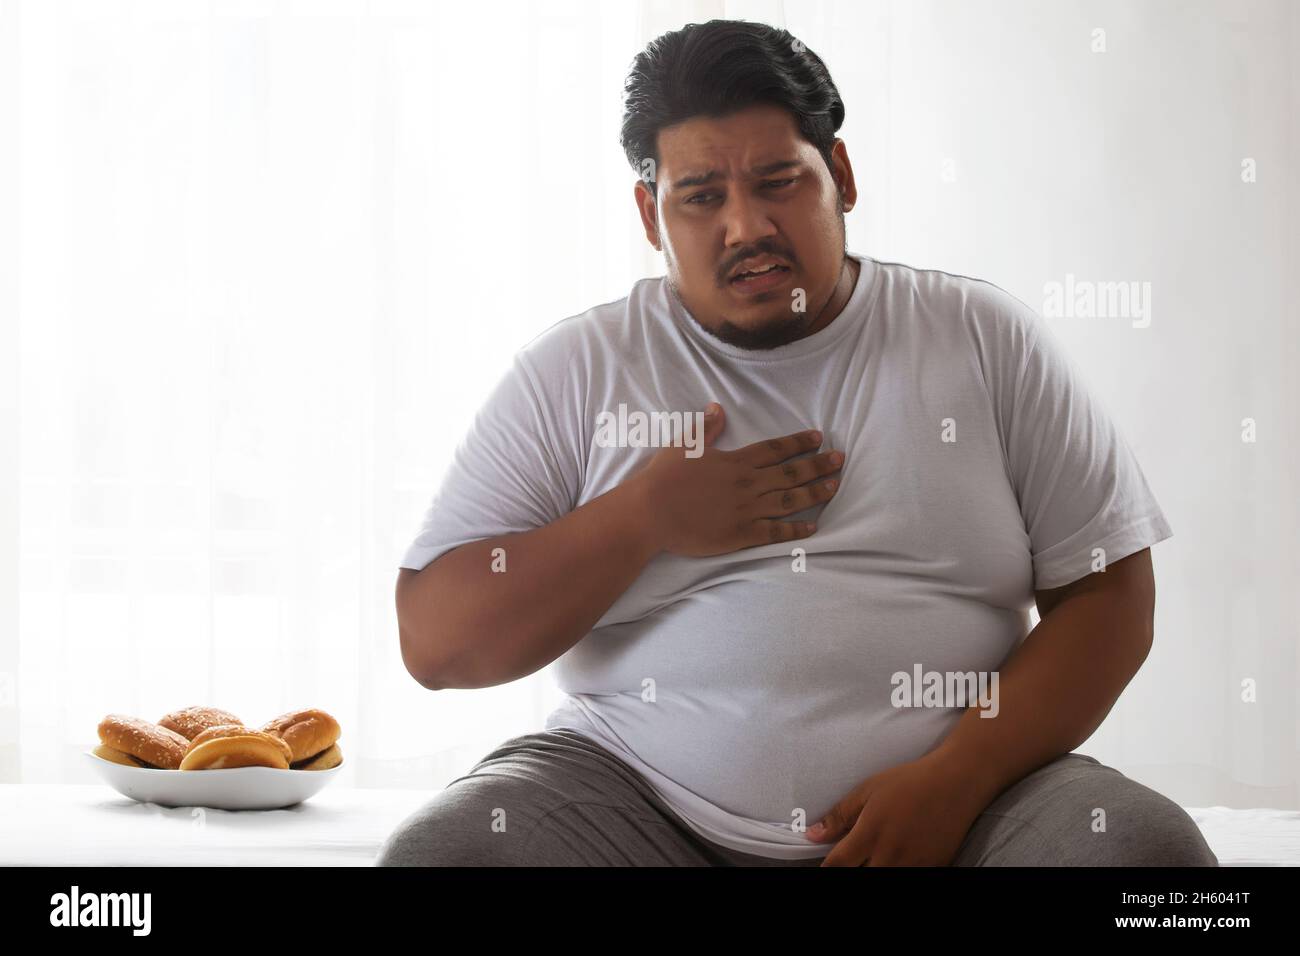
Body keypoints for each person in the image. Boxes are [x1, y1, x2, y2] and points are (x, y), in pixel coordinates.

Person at [379, 19, 1216, 867]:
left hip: (966, 806)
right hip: (634, 801)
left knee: (1151, 860)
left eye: (778, 182)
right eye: (701, 196)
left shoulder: (980, 338)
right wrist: (643, 519)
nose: (746, 227)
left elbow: (1112, 599)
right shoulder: (579, 370)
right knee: (442, 857)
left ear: (841, 175)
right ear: (649, 214)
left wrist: (959, 778)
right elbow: (438, 643)